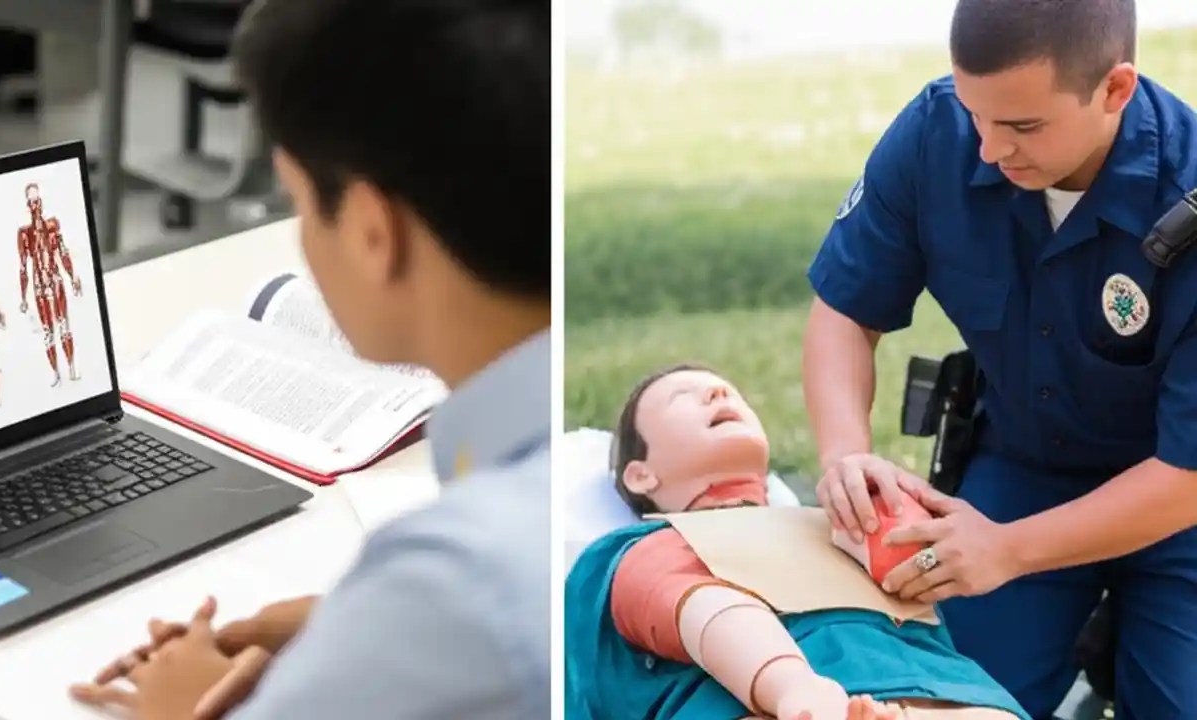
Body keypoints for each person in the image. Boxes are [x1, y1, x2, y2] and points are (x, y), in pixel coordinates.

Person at [68, 0, 551, 718]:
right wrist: (363, 635)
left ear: (371, 232)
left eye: (298, 204)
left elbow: (475, 616)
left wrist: (179, 708)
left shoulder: (458, 585)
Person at [803, 1, 1197, 718]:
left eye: (1022, 126)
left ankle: (1116, 640)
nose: (987, 150)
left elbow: (1187, 476)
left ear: (1115, 89)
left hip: (1178, 500)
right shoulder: (936, 132)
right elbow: (845, 310)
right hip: (1023, 464)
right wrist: (844, 455)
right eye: (975, 114)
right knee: (944, 699)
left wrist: (1009, 552)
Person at [566, 365, 1030, 720]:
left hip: (943, 695)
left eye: (728, 391)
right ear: (640, 475)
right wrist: (795, 688)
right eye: (681, 398)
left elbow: (923, 572)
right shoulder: (640, 548)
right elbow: (699, 607)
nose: (717, 393)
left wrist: (889, 511)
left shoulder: (833, 525)